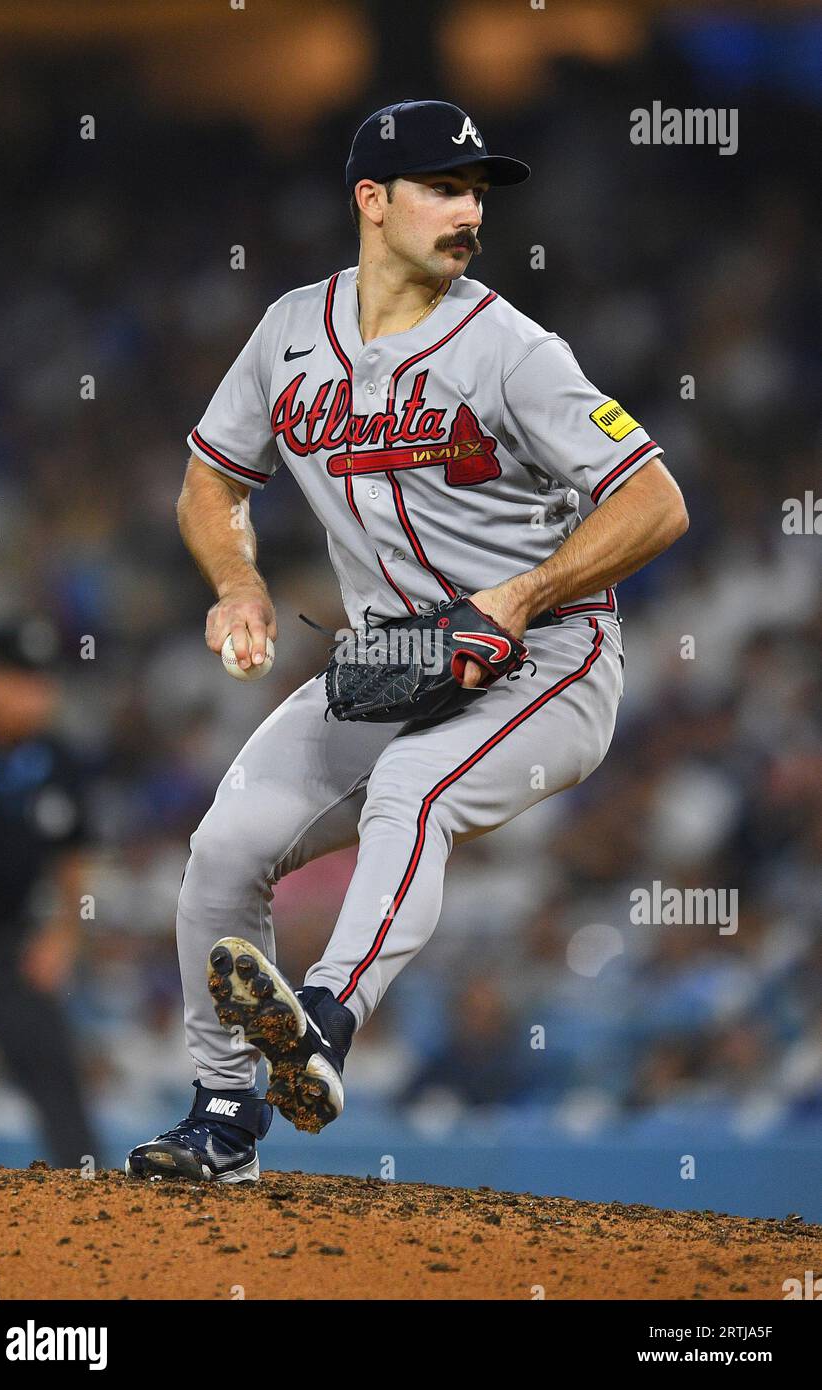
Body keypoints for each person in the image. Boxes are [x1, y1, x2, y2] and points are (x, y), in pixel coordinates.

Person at [126, 100, 688, 1184]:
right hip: (390, 663)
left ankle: (323, 1026)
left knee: (413, 792)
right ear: (369, 201)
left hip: (547, 662)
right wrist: (237, 579)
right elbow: (209, 481)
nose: (467, 208)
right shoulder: (290, 329)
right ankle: (221, 1118)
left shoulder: (512, 350)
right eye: (442, 185)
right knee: (221, 854)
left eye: (476, 189)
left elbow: (656, 502)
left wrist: (524, 593)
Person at [0, 616, 98, 1167]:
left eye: (42, 683)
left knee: (60, 1082)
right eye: (19, 681)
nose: (33, 696)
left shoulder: (58, 761)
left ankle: (91, 1214)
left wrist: (63, 937)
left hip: (16, 947)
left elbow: (74, 860)